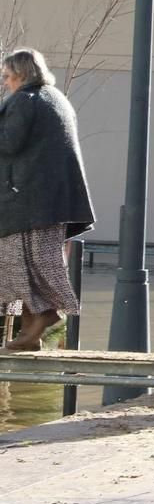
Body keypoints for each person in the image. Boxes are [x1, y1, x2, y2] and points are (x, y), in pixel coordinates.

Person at [0, 49, 95, 351]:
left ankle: (41, 318)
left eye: (7, 76)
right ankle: (32, 330)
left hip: (28, 202)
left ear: (22, 75)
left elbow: (8, 143)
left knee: (17, 263)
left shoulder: (25, 101)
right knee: (29, 265)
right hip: (48, 201)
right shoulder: (54, 98)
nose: (5, 83)